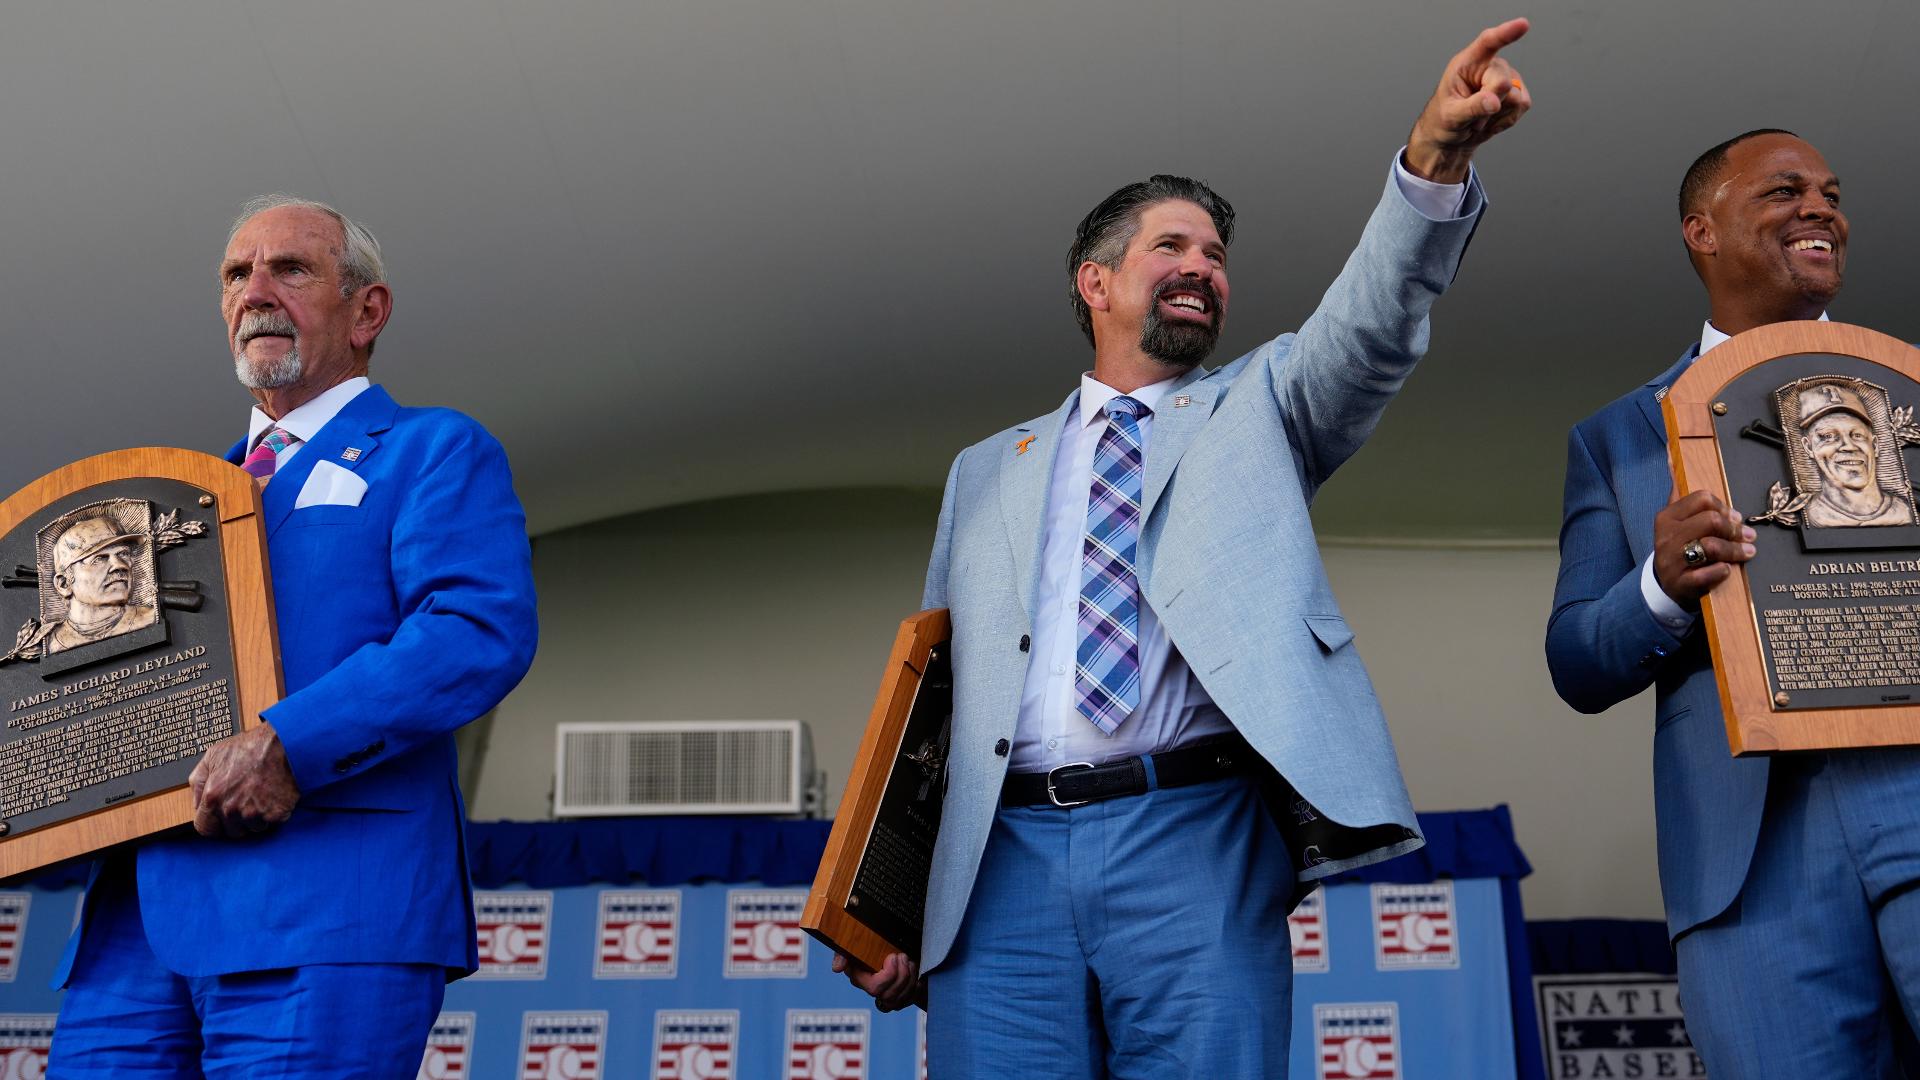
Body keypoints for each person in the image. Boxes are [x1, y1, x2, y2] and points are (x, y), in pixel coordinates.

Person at [837, 18, 1531, 1076]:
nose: (1202, 267)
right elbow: (934, 692)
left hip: (1194, 836)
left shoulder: (1263, 406)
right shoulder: (988, 467)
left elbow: (1376, 320)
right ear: (1096, 282)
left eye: (1216, 255)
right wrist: (891, 897)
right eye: (1172, 246)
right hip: (998, 862)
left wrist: (1436, 159)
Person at [47, 195, 539, 1078]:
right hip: (132, 926)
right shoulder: (165, 505)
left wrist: (288, 742)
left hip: (328, 910)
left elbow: (473, 631)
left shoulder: (430, 449)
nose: (257, 292)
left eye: (292, 269)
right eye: (237, 275)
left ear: (367, 311)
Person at [1548, 129, 1920, 1075]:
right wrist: (1660, 587)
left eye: (1832, 193)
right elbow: (1578, 660)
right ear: (1701, 231)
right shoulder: (1621, 437)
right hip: (1750, 865)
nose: (1821, 209)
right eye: (1784, 191)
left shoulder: (1913, 392)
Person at [1790, 382, 1913, 527]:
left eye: (1857, 435)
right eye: (1828, 436)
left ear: (1874, 445)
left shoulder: (1904, 512)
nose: (1848, 446)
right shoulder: (1811, 516)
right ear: (1808, 447)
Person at [43, 514, 157, 654]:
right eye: (99, 559)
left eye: (123, 554)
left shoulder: (151, 619)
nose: (119, 565)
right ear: (64, 584)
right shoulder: (52, 644)